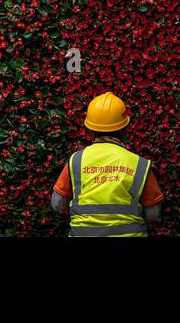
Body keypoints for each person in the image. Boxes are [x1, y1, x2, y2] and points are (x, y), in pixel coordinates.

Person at [52, 91, 163, 236]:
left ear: (90, 129)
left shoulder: (76, 160)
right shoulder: (139, 164)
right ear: (124, 129)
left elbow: (57, 204)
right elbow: (153, 213)